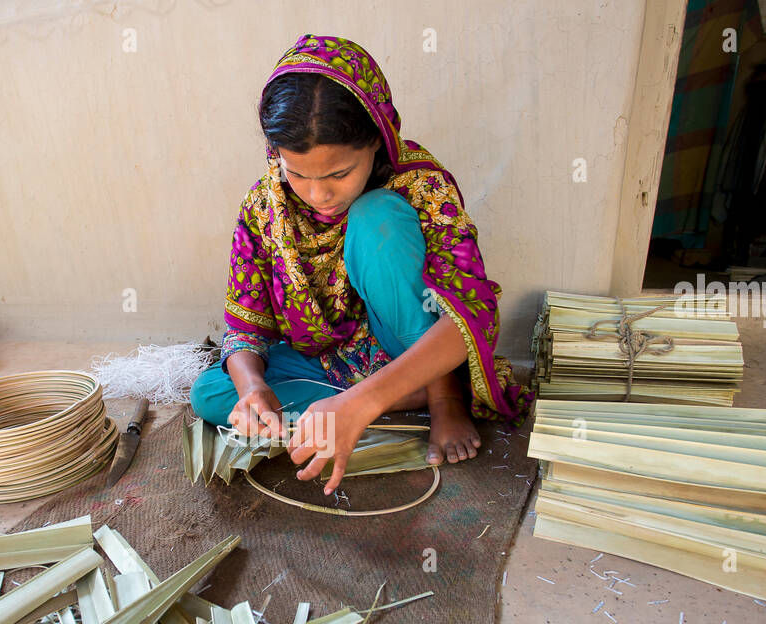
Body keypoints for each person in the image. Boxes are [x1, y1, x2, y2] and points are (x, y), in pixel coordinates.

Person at [189, 34, 530, 494]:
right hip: (327, 361)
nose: (318, 194)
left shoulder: (418, 186)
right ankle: (391, 397)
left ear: (377, 139)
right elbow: (248, 327)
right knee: (212, 393)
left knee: (376, 218)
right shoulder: (263, 204)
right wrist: (252, 388)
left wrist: (361, 401)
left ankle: (442, 392)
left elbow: (472, 314)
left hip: (410, 345)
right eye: (298, 174)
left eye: (338, 174)